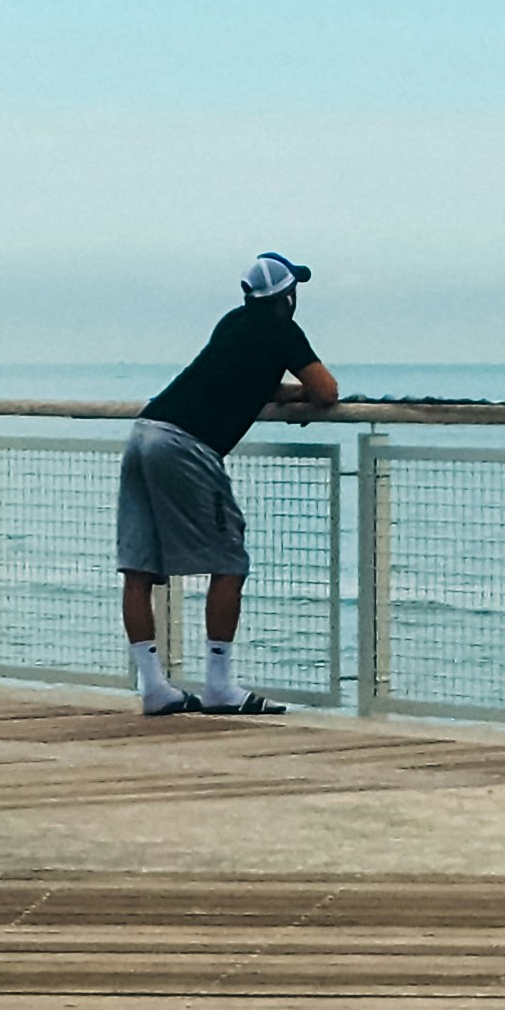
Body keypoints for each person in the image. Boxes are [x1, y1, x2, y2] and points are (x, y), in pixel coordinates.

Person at [118, 253, 336, 717]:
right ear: (287, 296)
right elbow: (327, 391)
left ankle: (155, 688)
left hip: (145, 431)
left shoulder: (232, 324)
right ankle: (219, 686)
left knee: (138, 567)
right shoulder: (283, 331)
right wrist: (302, 393)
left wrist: (283, 392)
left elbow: (241, 382)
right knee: (230, 560)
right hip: (186, 444)